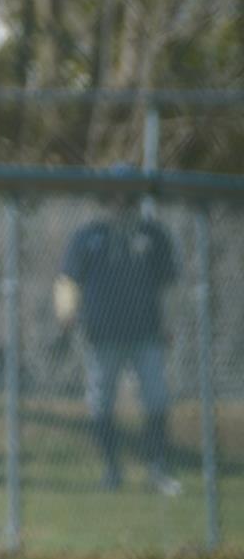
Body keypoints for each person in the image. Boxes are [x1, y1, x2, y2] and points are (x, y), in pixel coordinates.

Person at [54, 180, 182, 495]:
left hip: (146, 333)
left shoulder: (153, 235)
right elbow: (69, 278)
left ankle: (157, 468)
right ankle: (112, 471)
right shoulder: (89, 236)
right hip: (102, 334)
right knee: (101, 402)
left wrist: (169, 321)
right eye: (115, 197)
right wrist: (66, 315)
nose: (121, 204)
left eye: (128, 197)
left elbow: (168, 285)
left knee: (155, 397)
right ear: (106, 198)